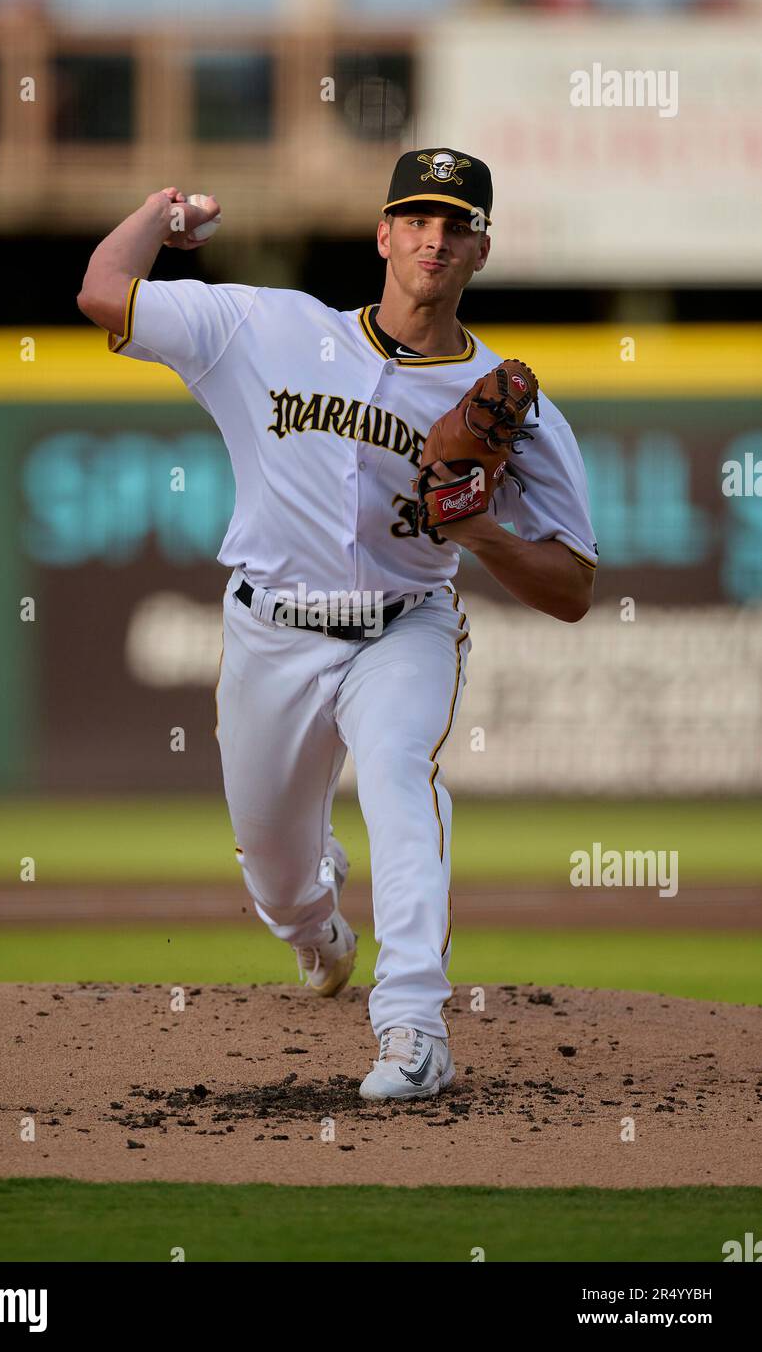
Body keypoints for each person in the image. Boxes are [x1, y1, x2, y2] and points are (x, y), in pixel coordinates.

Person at [77, 147, 597, 1101]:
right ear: (383, 233)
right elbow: (105, 292)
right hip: (269, 633)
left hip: (405, 628)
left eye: (456, 223)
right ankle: (317, 929)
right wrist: (160, 216)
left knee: (403, 780)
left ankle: (414, 1026)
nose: (433, 237)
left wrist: (478, 528)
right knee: (277, 879)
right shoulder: (265, 327)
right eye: (416, 217)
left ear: (482, 247)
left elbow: (573, 587)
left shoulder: (516, 409)